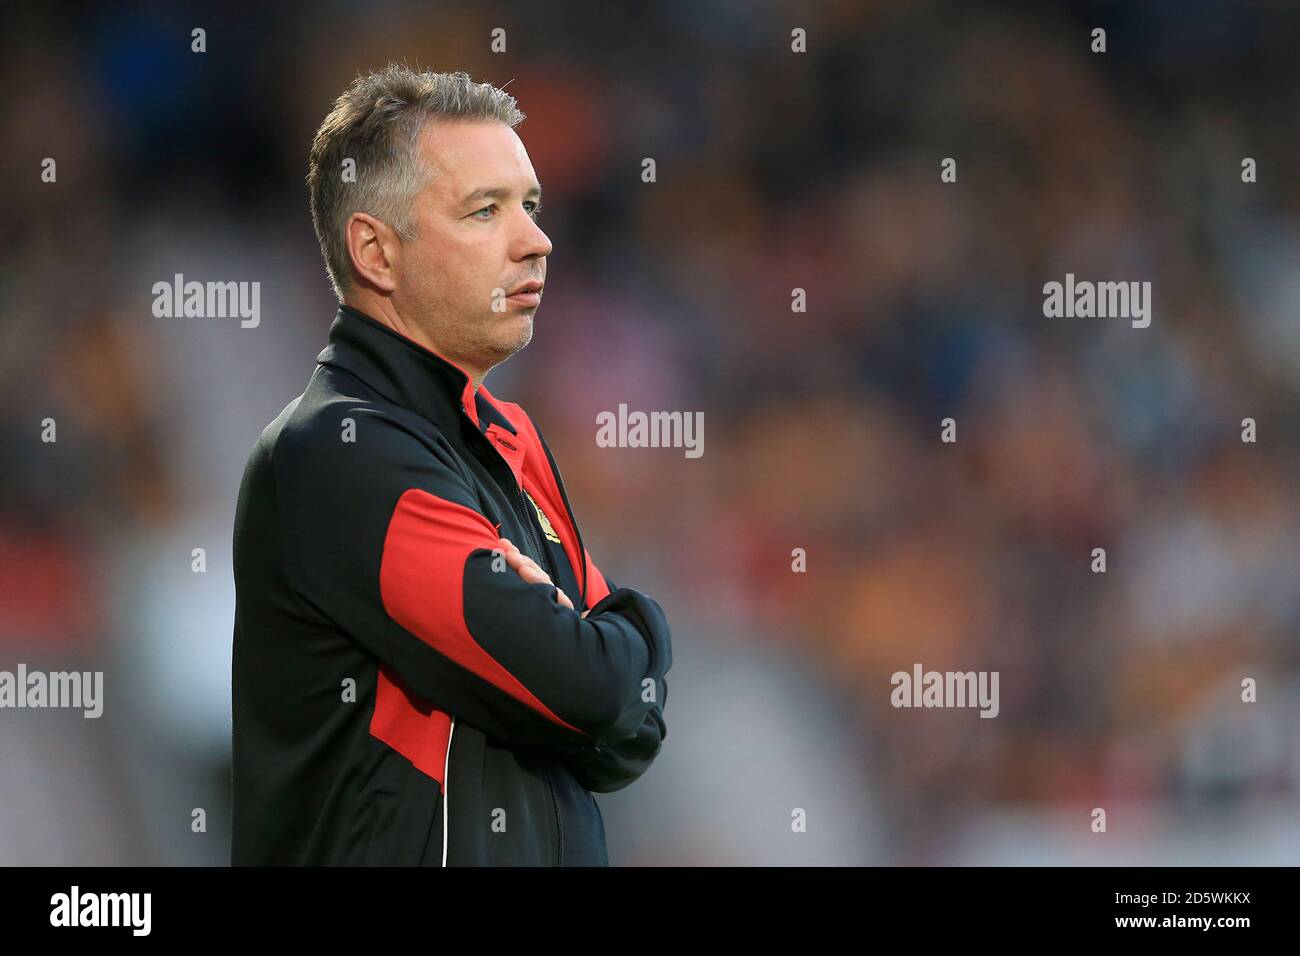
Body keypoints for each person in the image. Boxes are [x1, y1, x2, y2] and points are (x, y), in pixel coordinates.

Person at [230, 66, 672, 866]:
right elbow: (594, 690)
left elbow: (629, 735)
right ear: (375, 250)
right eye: (485, 210)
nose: (536, 239)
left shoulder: (509, 437)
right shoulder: (337, 454)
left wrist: (602, 645)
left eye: (529, 205)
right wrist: (600, 643)